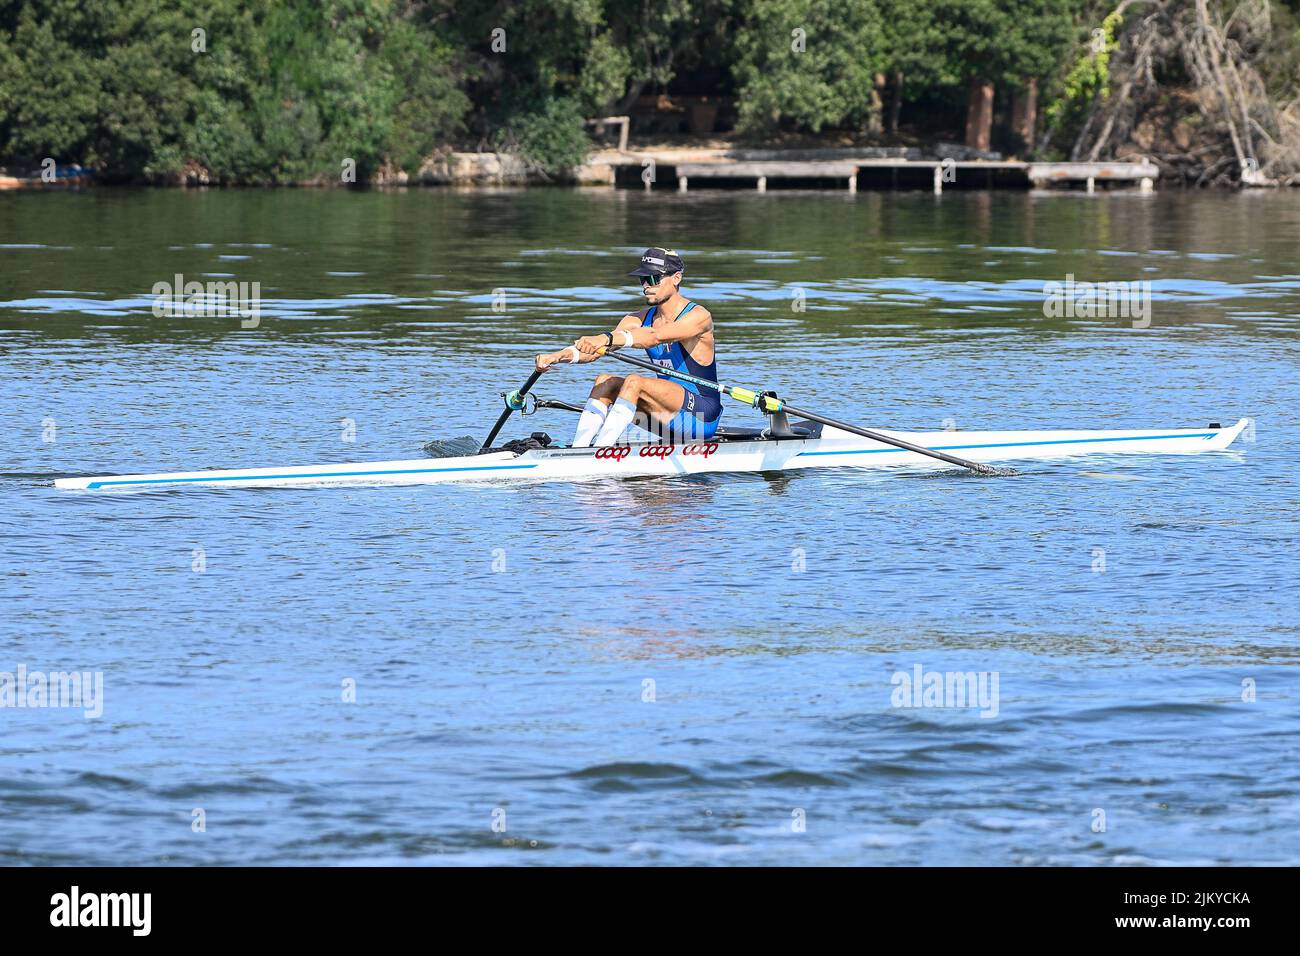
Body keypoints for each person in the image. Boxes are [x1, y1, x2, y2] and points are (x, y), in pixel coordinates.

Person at [534, 248, 720, 447]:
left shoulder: (699, 316)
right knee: (605, 381)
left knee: (634, 381)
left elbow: (654, 336)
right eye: (643, 279)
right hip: (664, 416)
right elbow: (594, 351)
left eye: (654, 278)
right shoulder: (637, 319)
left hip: (701, 416)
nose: (647, 285)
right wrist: (556, 356)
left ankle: (600, 451)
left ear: (676, 278)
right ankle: (579, 448)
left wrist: (605, 338)